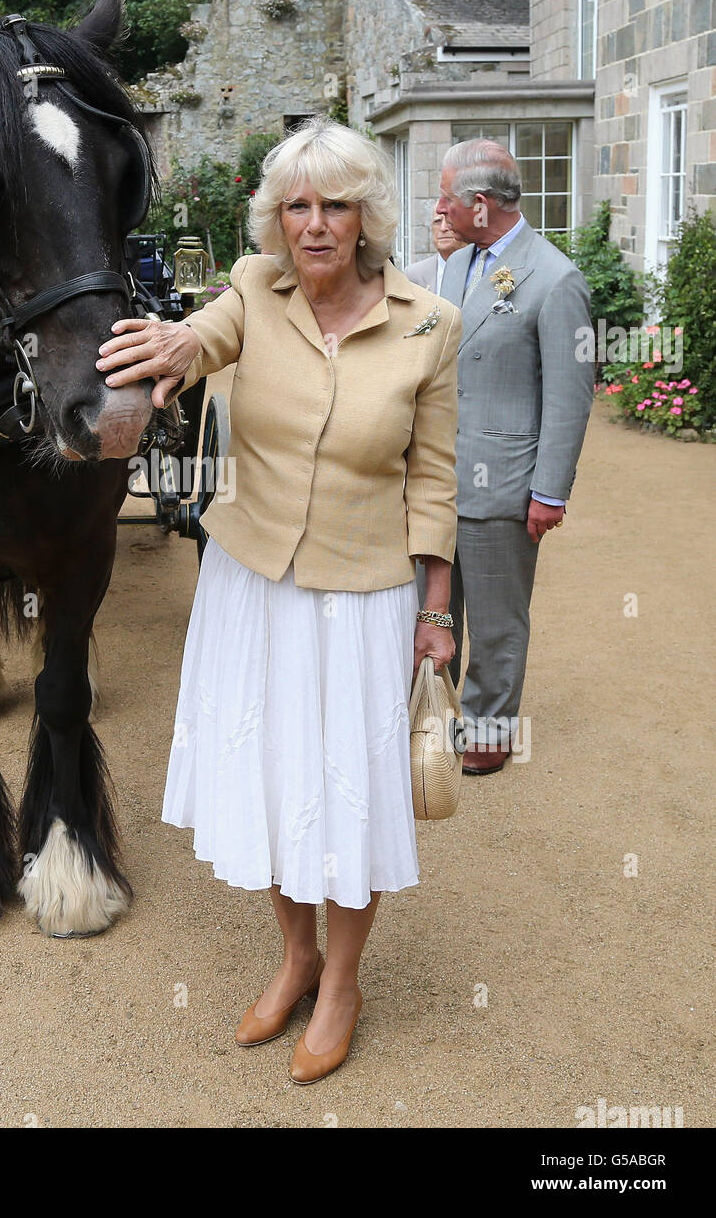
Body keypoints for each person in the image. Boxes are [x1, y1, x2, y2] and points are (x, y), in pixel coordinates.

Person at [95, 117, 461, 1084]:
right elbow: (204, 337)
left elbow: (433, 478)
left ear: (365, 216)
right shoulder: (255, 290)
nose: (313, 224)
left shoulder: (429, 322)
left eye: (333, 204)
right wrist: (173, 341)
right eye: (295, 206)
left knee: (351, 793)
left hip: (364, 594)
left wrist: (436, 611)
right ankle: (293, 953)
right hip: (251, 582)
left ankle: (340, 979)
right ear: (275, 220)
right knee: (270, 776)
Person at [433, 138, 593, 773]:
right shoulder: (455, 264)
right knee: (433, 610)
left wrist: (549, 491)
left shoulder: (556, 279)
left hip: (503, 483)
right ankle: (434, 719)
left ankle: (489, 734)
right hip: (435, 479)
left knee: (498, 622)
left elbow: (570, 398)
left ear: (478, 203)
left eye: (446, 195)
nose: (438, 207)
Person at [405, 210, 469, 295]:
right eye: (437, 221)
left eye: (450, 221)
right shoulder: (414, 274)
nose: (443, 228)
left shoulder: (481, 268)